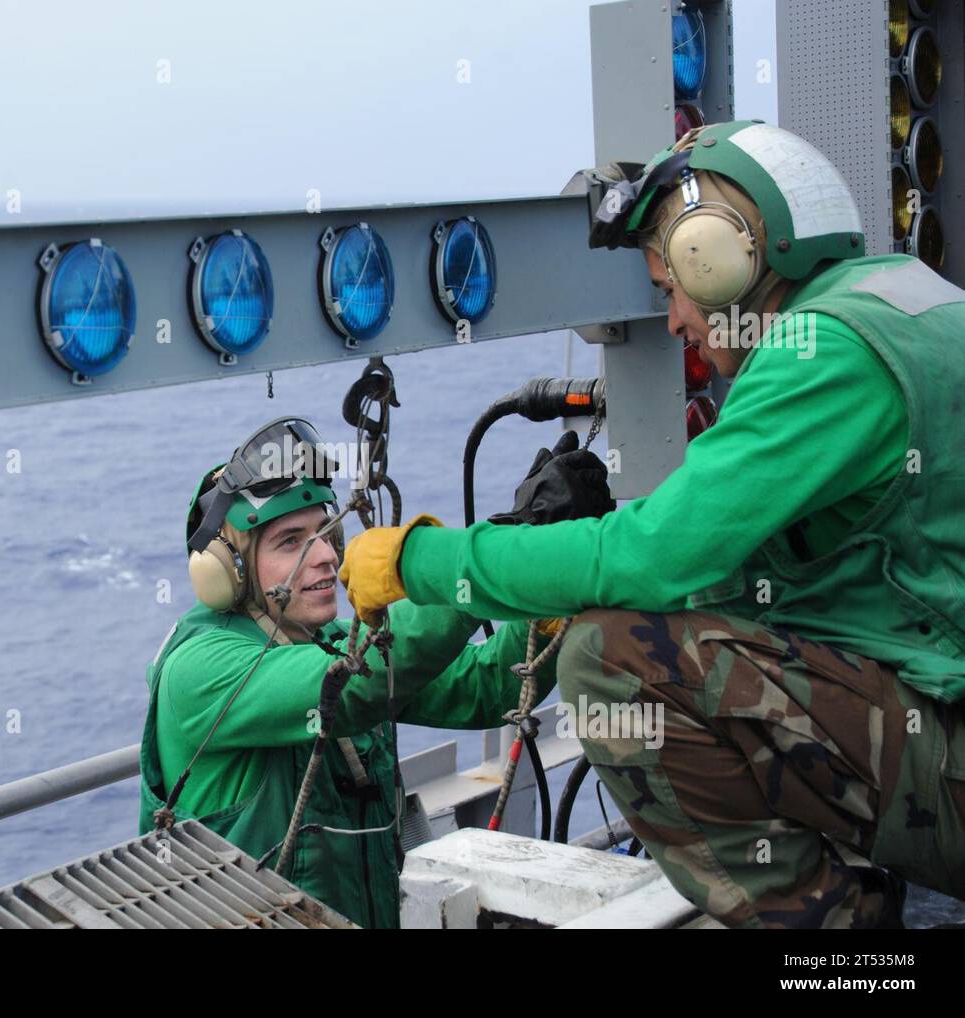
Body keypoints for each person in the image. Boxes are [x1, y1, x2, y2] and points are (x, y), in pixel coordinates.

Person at [339, 120, 965, 928]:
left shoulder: (822, 353)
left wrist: (420, 558)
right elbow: (731, 556)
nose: (673, 322)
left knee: (611, 659)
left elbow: (655, 559)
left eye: (670, 287)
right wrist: (574, 553)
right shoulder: (901, 297)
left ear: (724, 256)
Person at [138, 415, 612, 928]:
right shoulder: (201, 668)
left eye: (324, 532)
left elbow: (487, 689)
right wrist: (502, 546)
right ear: (225, 573)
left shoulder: (325, 640)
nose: (324, 555)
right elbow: (352, 686)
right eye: (290, 542)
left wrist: (544, 567)